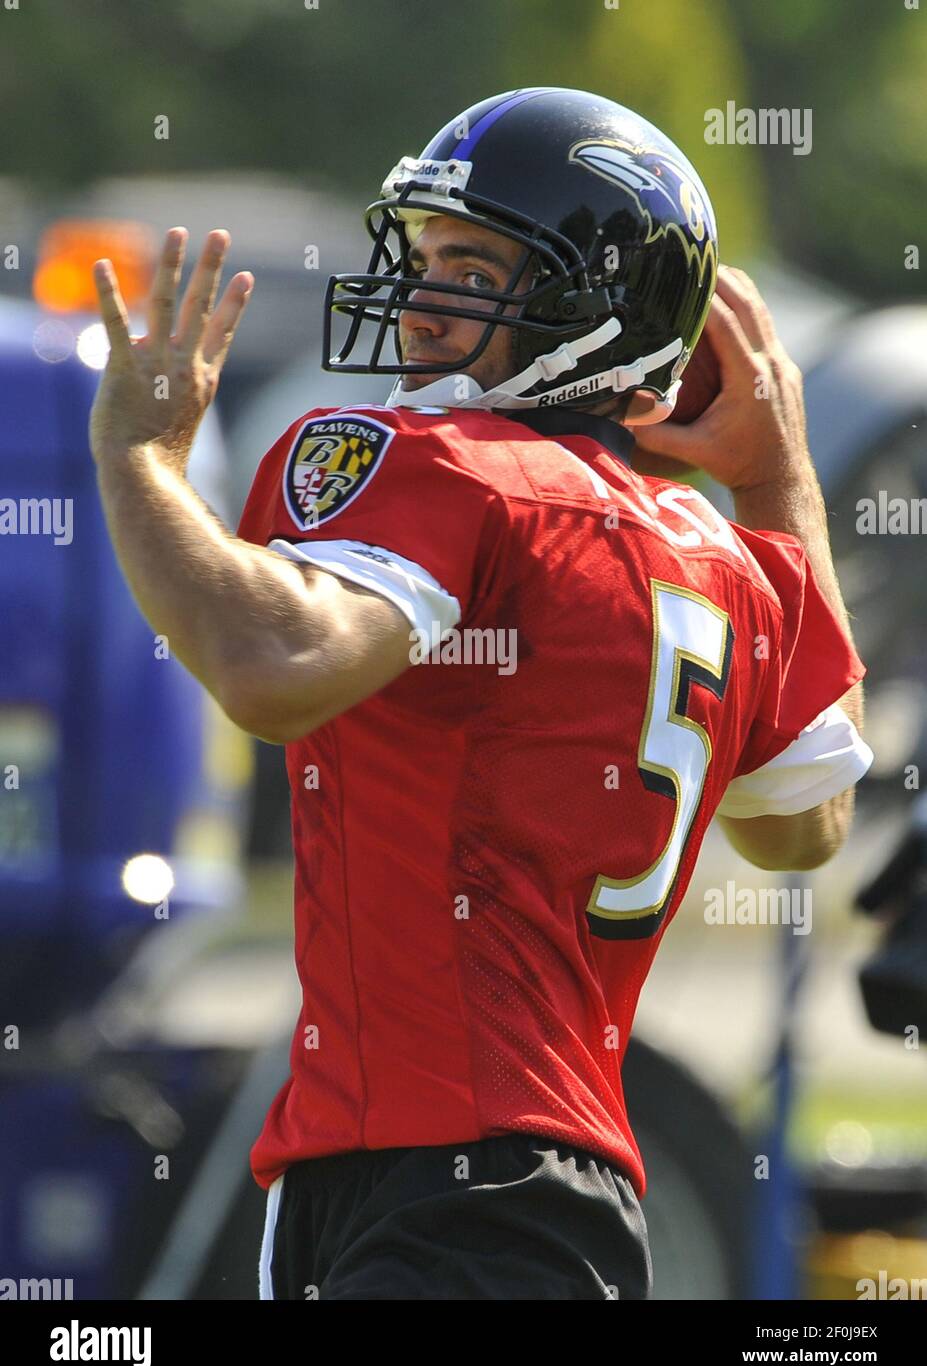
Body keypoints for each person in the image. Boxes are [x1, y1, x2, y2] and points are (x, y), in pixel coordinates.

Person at [89, 86, 873, 1300]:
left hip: (455, 1189)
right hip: (510, 1182)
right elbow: (804, 820)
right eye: (425, 256)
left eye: (473, 265)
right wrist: (779, 477)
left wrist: (141, 461)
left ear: (593, 302)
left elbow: (273, 664)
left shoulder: (456, 473)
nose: (418, 300)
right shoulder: (726, 563)